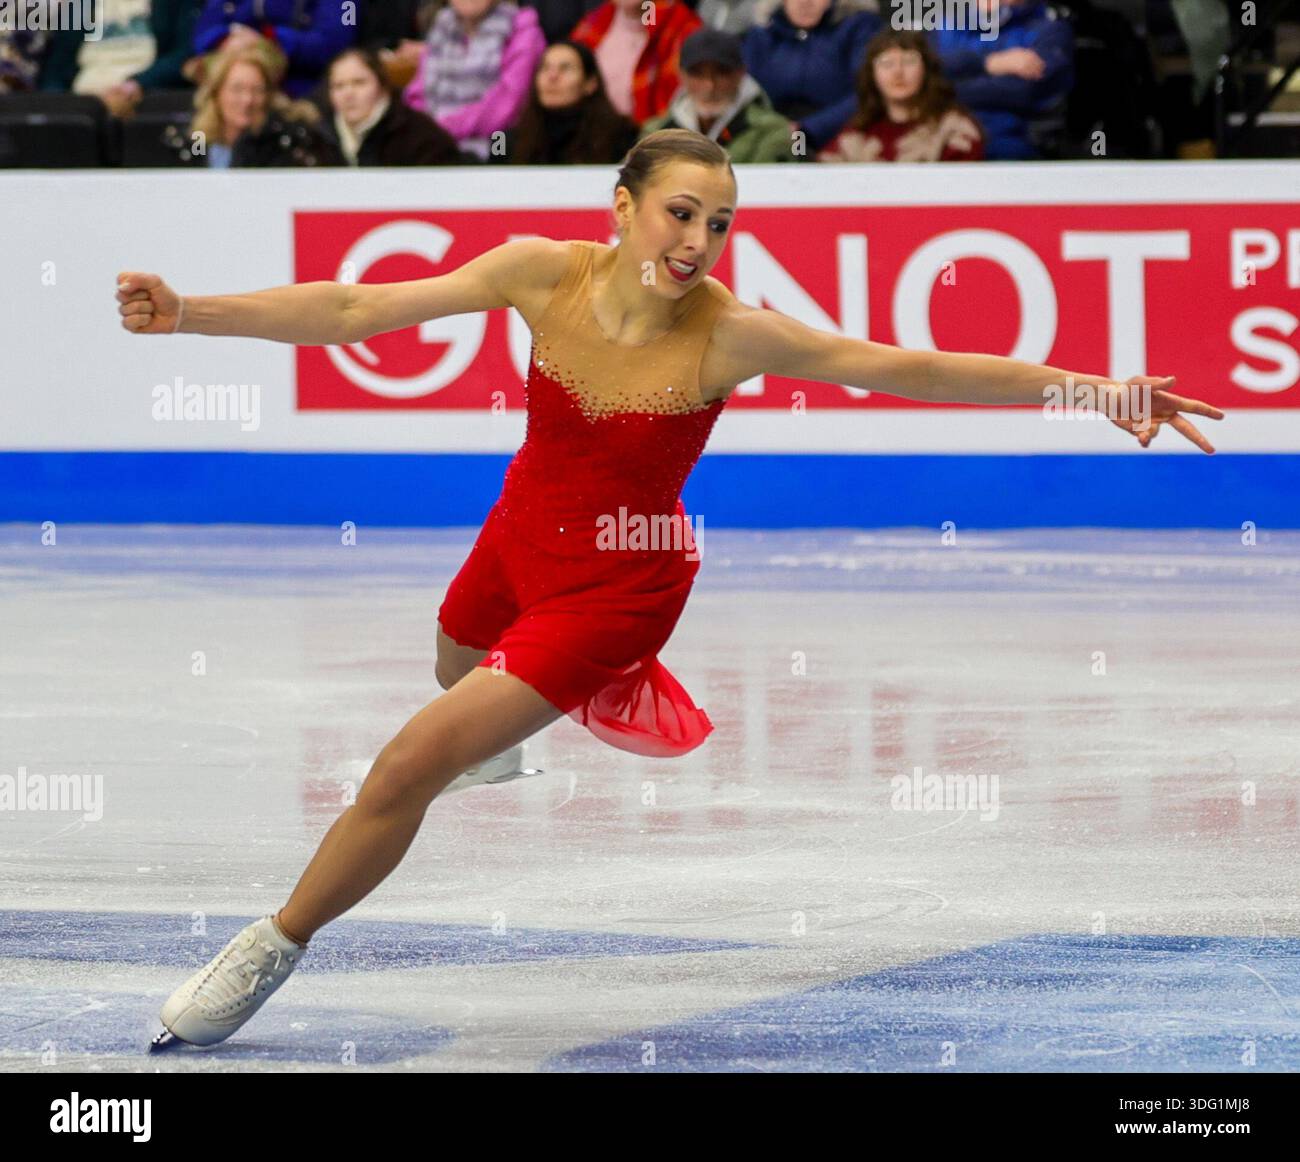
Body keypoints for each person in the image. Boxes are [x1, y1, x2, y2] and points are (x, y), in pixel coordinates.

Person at [116, 128, 1223, 1049]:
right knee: (453, 650)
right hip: (517, 535)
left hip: (617, 584)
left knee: (409, 759)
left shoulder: (733, 335)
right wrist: (191, 313)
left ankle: (273, 943)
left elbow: (909, 367)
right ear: (623, 207)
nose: (698, 241)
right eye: (679, 213)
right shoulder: (537, 271)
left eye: (719, 222)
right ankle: (487, 740)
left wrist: (1094, 391)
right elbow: (356, 311)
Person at [402, 0, 547, 162]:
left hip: (497, 139)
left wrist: (443, 128)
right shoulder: (441, 26)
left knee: (501, 145)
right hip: (434, 139)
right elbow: (417, 92)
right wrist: (424, 128)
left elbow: (508, 105)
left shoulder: (522, 29)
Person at [929, 0, 1073, 160]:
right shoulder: (946, 25)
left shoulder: (1050, 29)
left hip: (1015, 147)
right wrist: (988, 63)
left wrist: (946, 87)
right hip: (936, 138)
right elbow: (926, 75)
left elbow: (1024, 91)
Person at [817, 29, 983, 163]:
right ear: (872, 75)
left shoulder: (953, 129)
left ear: (926, 70)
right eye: (887, 63)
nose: (898, 72)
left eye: (909, 61)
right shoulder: (857, 135)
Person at [741, 0, 879, 154]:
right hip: (771, 134)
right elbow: (746, 93)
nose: (805, 3)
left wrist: (809, 129)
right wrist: (775, 129)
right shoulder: (761, 35)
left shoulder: (859, 27)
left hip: (840, 134)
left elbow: (869, 89)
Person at [641, 27, 798, 162]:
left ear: (740, 74)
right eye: (698, 74)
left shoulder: (771, 129)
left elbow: (772, 187)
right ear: (681, 76)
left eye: (721, 73)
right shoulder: (655, 133)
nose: (709, 85)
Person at [174, 43, 331, 167]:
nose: (247, 100)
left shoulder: (284, 143)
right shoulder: (195, 143)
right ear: (216, 93)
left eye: (257, 90)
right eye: (237, 89)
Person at [37, 0, 198, 117]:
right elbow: (56, 71)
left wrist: (139, 84)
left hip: (148, 97)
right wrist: (58, 107)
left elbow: (185, 54)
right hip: (83, 103)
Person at [499, 39, 640, 164]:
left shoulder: (622, 137)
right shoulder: (508, 142)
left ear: (590, 83)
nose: (552, 76)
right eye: (545, 68)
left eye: (565, 68)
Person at [317, 47, 463, 166]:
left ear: (382, 87)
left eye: (359, 82)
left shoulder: (421, 136)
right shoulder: (318, 139)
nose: (348, 94)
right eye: (338, 86)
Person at [569, 0, 702, 124]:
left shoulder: (683, 28)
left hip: (649, 134)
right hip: (588, 127)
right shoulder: (596, 20)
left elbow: (679, 106)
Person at [191, 0, 356, 97]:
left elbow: (335, 44)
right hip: (233, 81)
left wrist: (270, 39)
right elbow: (202, 34)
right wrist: (227, 39)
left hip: (302, 89)